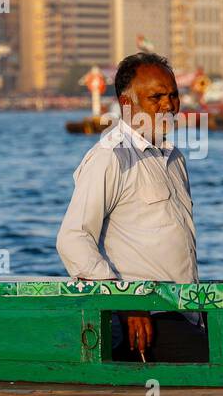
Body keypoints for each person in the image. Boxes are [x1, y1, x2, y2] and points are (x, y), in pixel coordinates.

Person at [56, 51, 206, 363]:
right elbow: (73, 239)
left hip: (185, 314)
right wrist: (123, 302)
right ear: (128, 104)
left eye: (174, 95)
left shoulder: (174, 158)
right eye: (156, 97)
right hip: (146, 321)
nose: (169, 105)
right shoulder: (110, 157)